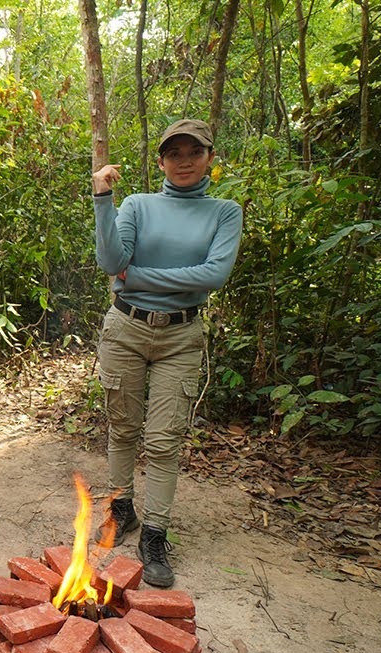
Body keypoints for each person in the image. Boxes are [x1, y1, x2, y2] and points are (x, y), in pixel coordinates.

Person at [90, 118, 242, 588]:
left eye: (193, 152)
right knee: (122, 426)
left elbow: (212, 276)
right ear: (160, 161)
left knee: (163, 439)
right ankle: (122, 511)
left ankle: (154, 534)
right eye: (174, 153)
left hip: (180, 336)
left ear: (210, 158)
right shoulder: (136, 204)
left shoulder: (224, 212)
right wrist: (103, 199)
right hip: (126, 329)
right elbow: (112, 263)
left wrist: (138, 277)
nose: (184, 161)